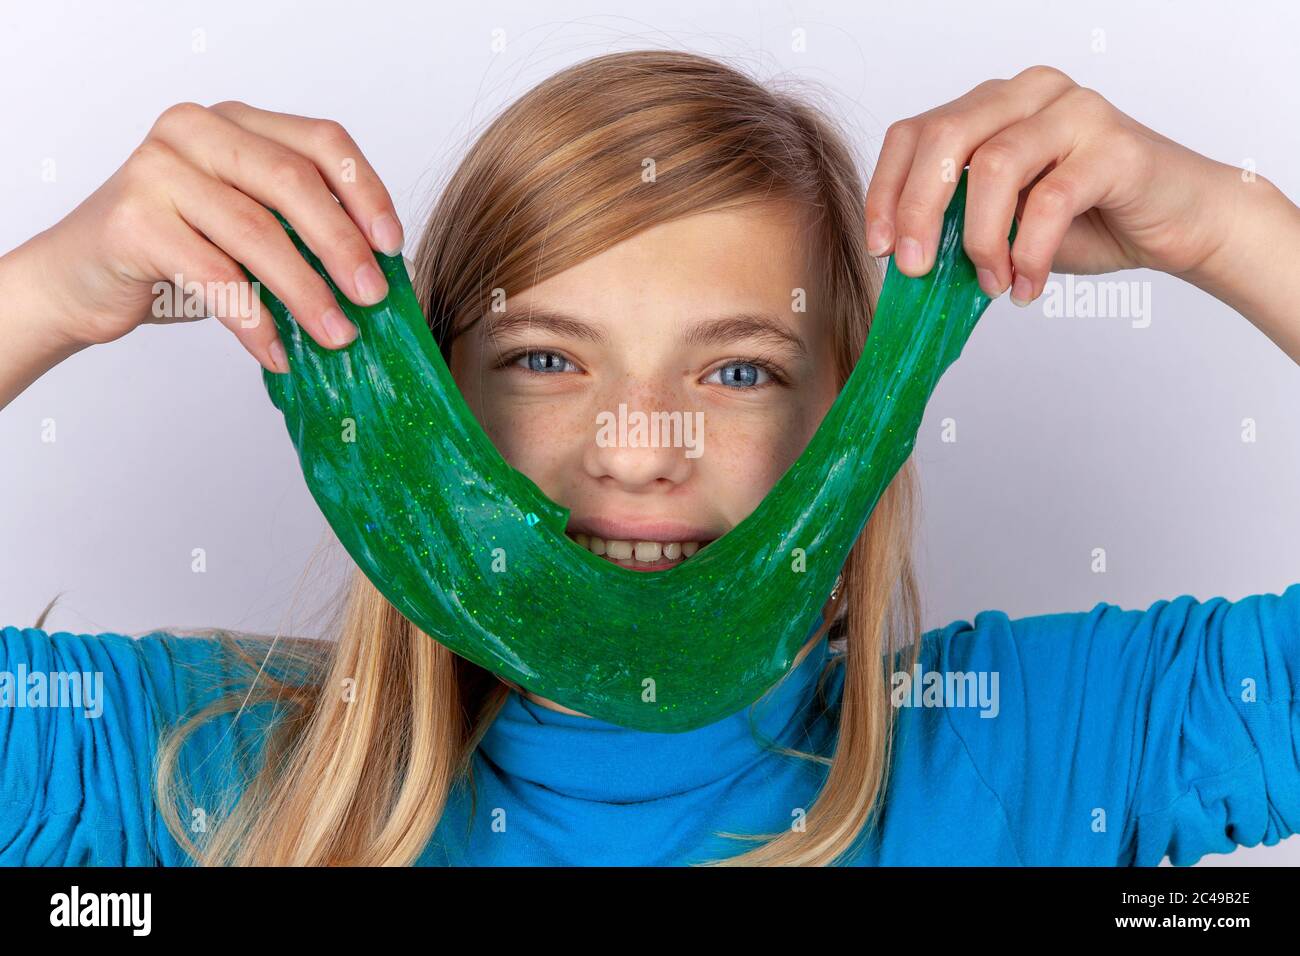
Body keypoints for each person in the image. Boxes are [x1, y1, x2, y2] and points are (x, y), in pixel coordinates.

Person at [1, 51, 1297, 866]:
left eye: (738, 370)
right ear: (427, 407)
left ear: (846, 423)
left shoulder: (1050, 748)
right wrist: (55, 288)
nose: (639, 451)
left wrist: (1225, 224)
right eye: (547, 359)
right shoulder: (198, 766)